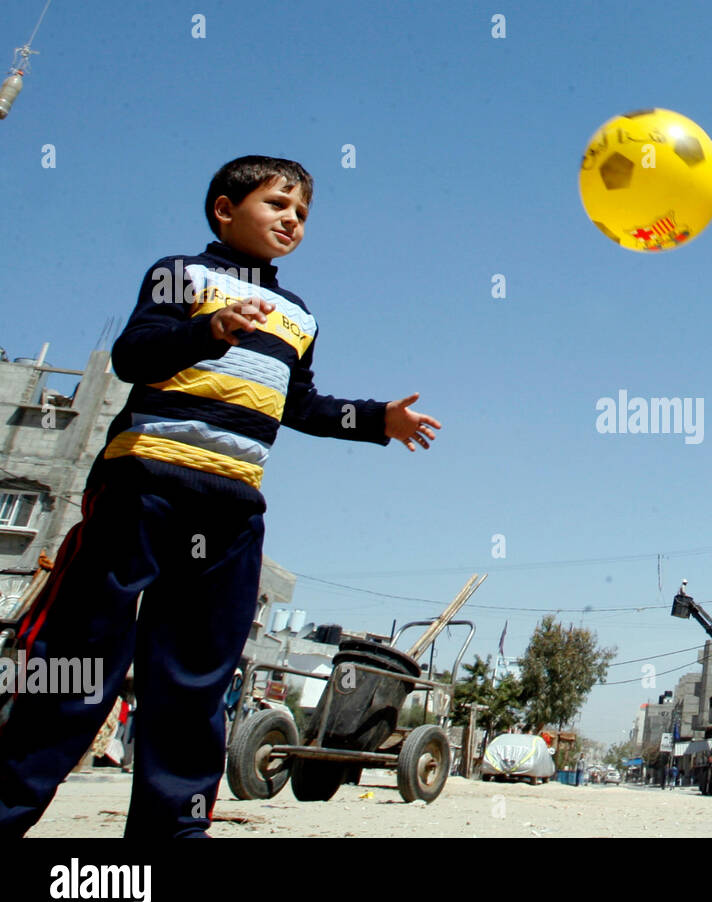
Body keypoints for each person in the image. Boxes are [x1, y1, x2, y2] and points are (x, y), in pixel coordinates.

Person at [0, 156, 440, 838]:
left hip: (232, 510)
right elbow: (133, 357)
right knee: (77, 667)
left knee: (195, 681)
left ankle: (172, 831)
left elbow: (302, 405)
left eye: (302, 213)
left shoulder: (298, 315)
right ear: (225, 211)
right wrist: (207, 330)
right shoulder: (181, 274)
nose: (293, 219)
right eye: (277, 204)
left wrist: (376, 420)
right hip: (142, 491)